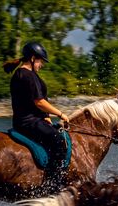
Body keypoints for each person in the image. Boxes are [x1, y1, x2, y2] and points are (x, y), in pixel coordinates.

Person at [6, 41, 70, 175]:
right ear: (33, 58)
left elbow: (41, 98)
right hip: (28, 122)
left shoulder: (31, 74)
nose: (41, 65)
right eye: (40, 61)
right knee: (59, 141)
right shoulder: (25, 75)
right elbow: (39, 102)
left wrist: (46, 117)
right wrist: (60, 114)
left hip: (36, 120)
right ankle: (53, 182)